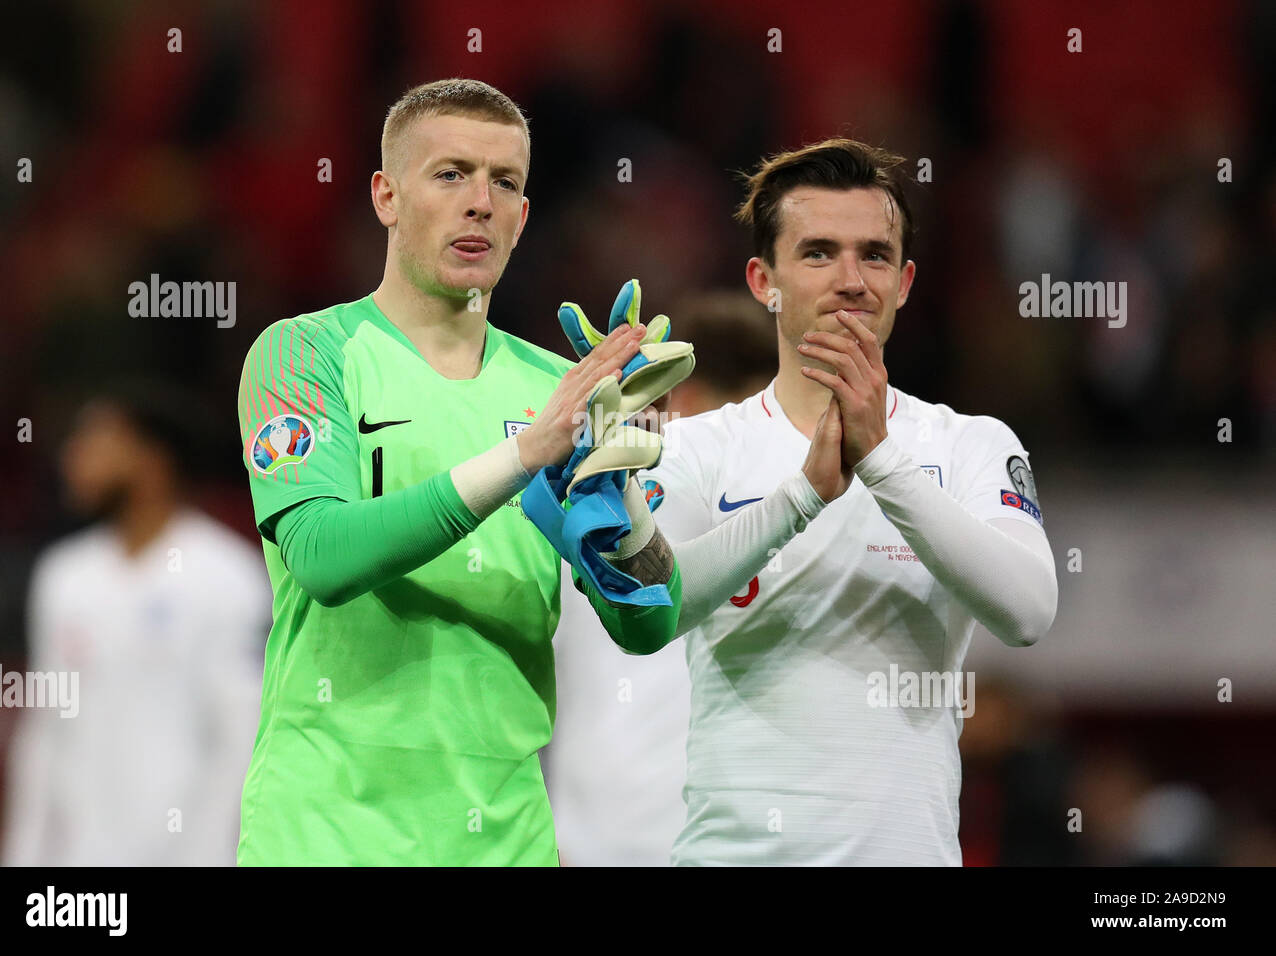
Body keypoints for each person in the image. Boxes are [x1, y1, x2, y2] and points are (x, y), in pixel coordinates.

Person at [232, 78, 681, 866]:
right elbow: (323, 557)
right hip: (327, 833)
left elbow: (649, 624)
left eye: (504, 182)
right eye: (450, 174)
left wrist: (625, 516)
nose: (480, 201)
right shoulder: (302, 353)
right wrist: (524, 457)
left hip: (506, 841)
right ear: (386, 196)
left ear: (522, 218)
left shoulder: (560, 390)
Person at [636, 138, 1059, 865]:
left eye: (874, 255)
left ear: (905, 281)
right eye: (818, 252)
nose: (851, 279)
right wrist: (801, 497)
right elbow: (650, 615)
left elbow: (1028, 612)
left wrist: (884, 463)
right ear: (762, 279)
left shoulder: (970, 444)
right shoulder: (694, 450)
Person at [542, 292, 778, 866]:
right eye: (749, 415)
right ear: (693, 402)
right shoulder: (624, 491)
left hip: (619, 827)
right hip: (621, 831)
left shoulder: (588, 492)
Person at [0, 385, 269, 866]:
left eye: (94, 440)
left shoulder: (227, 576)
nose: (72, 457)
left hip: (189, 853)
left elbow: (242, 739)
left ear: (152, 458)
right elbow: (45, 735)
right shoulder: (65, 576)